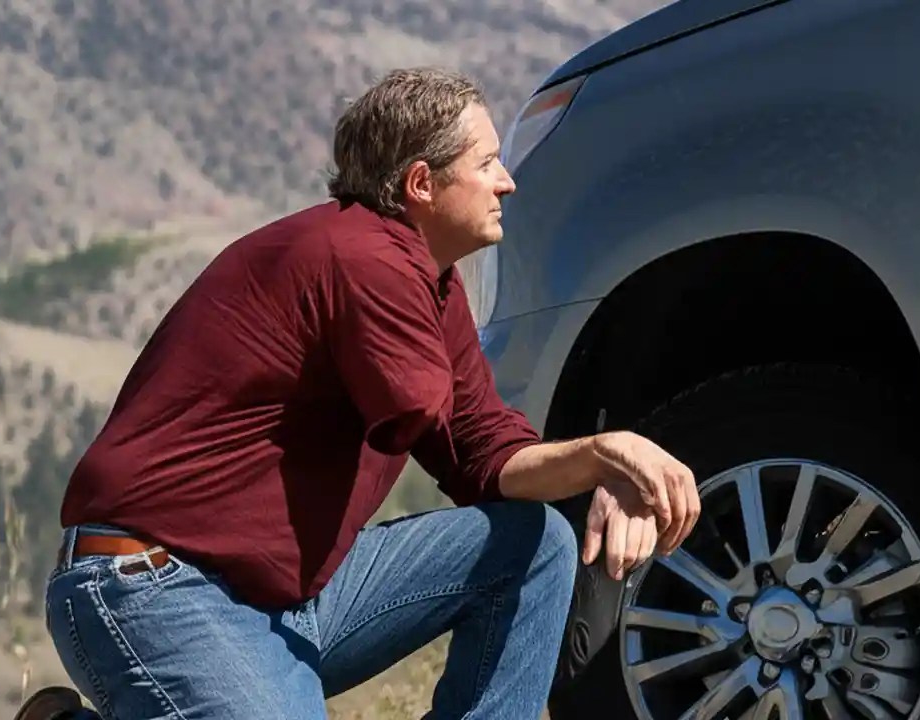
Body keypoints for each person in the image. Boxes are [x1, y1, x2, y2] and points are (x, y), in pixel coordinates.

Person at [36, 67, 701, 719]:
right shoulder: (364, 258)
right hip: (155, 584)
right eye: (489, 163)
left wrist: (608, 462)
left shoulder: (431, 287)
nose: (508, 181)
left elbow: (487, 458)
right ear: (421, 183)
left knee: (534, 547)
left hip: (284, 592)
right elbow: (416, 405)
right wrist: (600, 451)